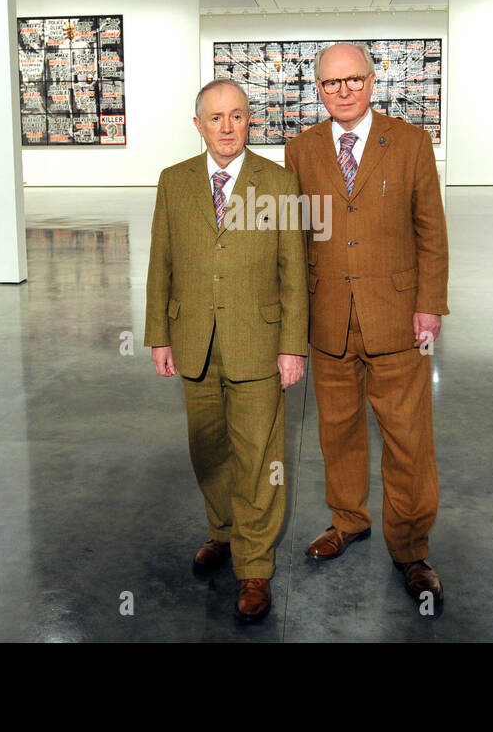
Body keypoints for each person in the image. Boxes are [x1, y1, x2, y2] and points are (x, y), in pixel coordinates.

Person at [283, 42, 449, 608]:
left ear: (373, 82)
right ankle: (348, 520)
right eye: (331, 83)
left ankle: (411, 549)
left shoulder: (408, 143)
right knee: (337, 433)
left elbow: (431, 230)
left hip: (396, 318)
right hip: (328, 318)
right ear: (319, 90)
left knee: (408, 439)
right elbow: (297, 236)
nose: (344, 90)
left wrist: (430, 303)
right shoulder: (300, 150)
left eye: (353, 79)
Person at [145, 78, 308, 623]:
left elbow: (293, 272)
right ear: (198, 125)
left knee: (261, 457)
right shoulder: (173, 182)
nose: (227, 127)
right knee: (207, 446)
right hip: (192, 340)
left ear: (249, 120)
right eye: (215, 118)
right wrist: (158, 335)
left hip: (258, 343)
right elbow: (160, 264)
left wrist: (292, 347)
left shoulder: (279, 184)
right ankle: (223, 531)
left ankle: (255, 566)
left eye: (237, 116)